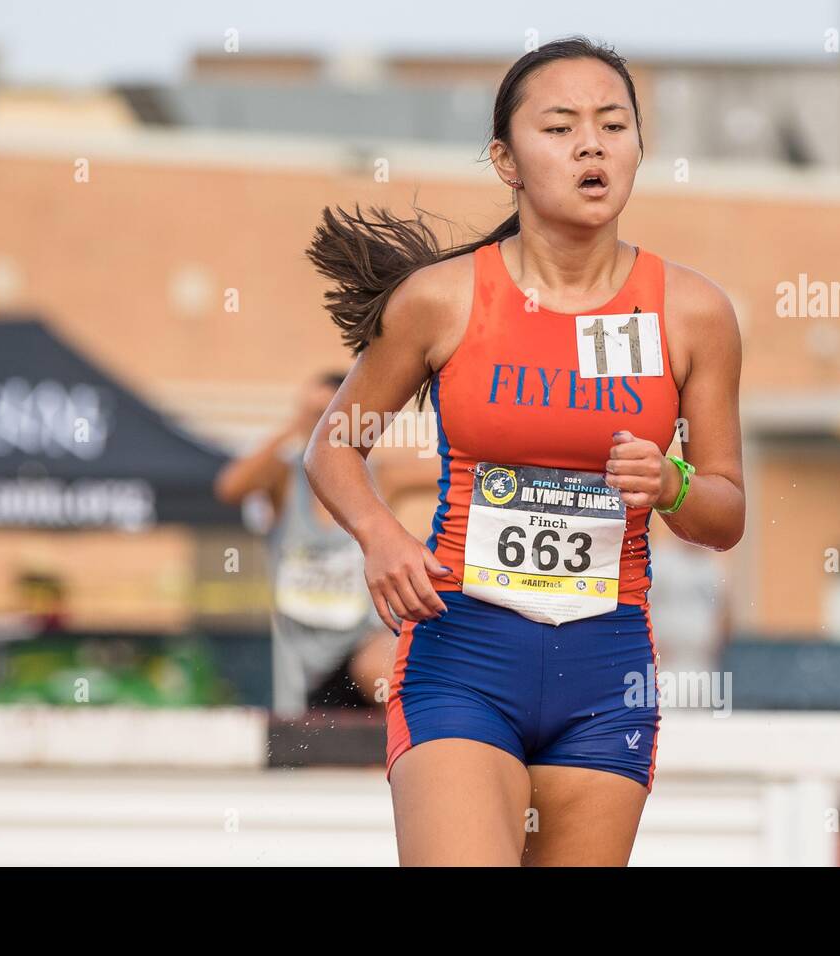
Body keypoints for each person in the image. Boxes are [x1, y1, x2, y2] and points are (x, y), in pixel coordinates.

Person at [303, 36, 745, 865]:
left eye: (614, 125)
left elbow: (726, 513)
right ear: (506, 159)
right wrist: (380, 534)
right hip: (461, 659)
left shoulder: (693, 314)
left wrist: (674, 481)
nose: (591, 144)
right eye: (561, 127)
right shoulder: (443, 299)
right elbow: (334, 447)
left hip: (607, 678)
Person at [214, 371, 395, 720]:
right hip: (299, 659)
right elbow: (231, 487)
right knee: (310, 750)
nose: (317, 423)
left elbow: (446, 470)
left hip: (362, 645)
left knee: (392, 663)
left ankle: (417, 750)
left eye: (325, 415)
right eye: (310, 413)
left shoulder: (379, 476)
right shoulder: (285, 480)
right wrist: (295, 429)